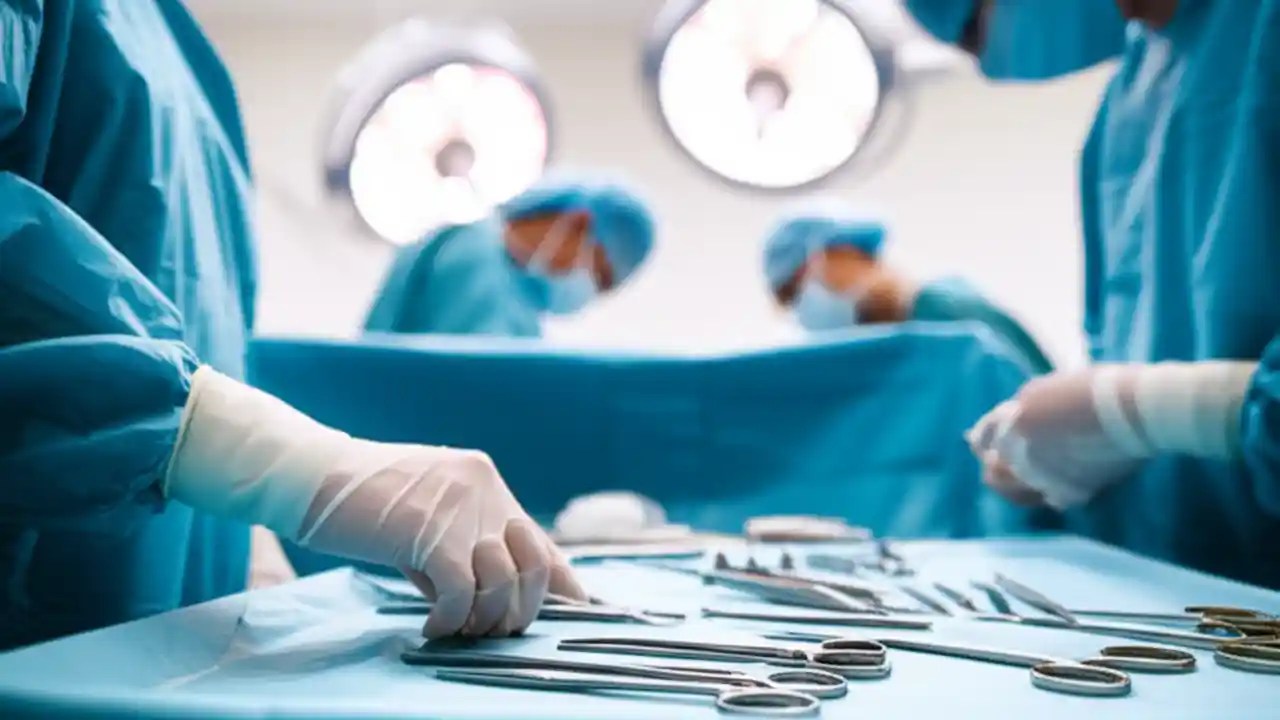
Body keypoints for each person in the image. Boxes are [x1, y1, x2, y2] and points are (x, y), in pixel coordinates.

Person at [0, 0, 584, 650]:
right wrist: (275, 462)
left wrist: (241, 531)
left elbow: (199, 333)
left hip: (169, 618)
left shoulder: (177, 49)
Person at [907, 0, 1280, 586]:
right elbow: (1123, 355)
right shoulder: (1125, 104)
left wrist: (1142, 412)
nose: (986, 56)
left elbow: (1147, 404)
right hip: (1174, 588)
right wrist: (1075, 469)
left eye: (977, 25)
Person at [762, 204, 1054, 374]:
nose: (800, 307)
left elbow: (1034, 405)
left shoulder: (944, 310)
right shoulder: (881, 348)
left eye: (797, 289)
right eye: (789, 302)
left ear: (841, 257)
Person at [363, 177, 654, 337]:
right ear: (578, 225)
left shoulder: (520, 307)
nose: (585, 292)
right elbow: (477, 387)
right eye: (596, 274)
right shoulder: (475, 255)